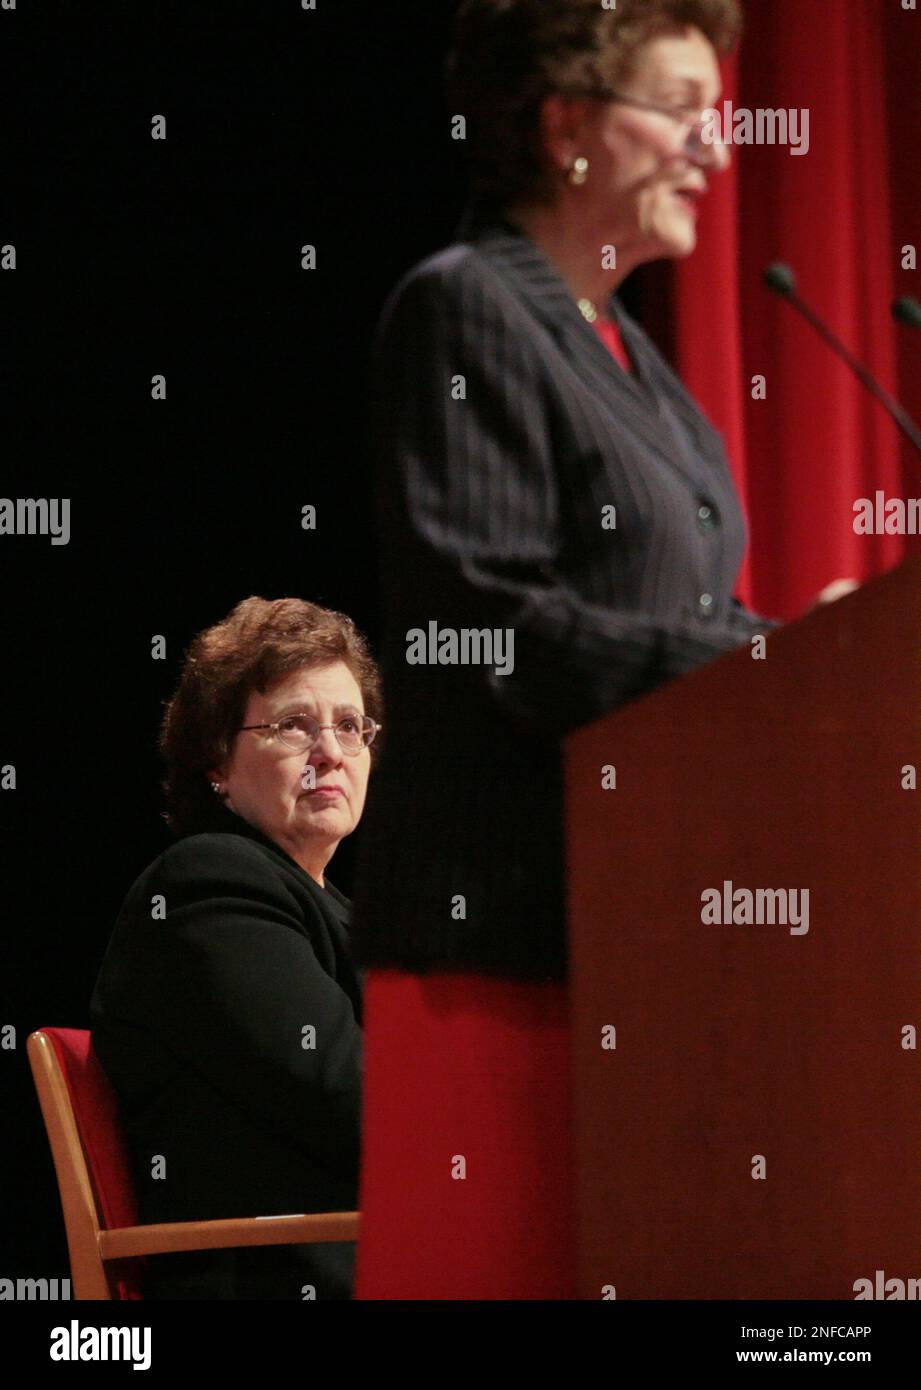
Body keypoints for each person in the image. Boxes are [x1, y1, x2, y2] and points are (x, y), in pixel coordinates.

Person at [351, 0, 786, 1299]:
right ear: (568, 128)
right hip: (503, 943)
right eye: (681, 110)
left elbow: (686, 633)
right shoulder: (466, 309)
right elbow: (483, 621)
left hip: (641, 939)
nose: (716, 147)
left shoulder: (643, 367)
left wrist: (802, 668)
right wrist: (761, 671)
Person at [90, 596, 381, 1299]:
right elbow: (355, 1097)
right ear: (217, 759)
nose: (331, 753)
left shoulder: (343, 911)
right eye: (294, 726)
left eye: (350, 726)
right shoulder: (209, 885)